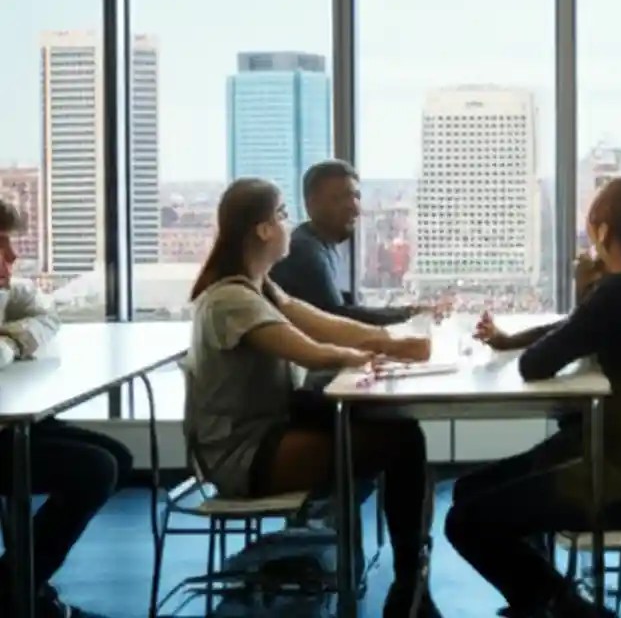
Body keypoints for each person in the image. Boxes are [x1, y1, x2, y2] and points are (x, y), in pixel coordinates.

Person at [446, 176, 621, 618]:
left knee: (466, 520)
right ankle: (542, 595)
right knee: (473, 490)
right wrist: (514, 338)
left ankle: (563, 606)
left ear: (603, 232)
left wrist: (588, 289)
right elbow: (573, 327)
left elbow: (539, 363)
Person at [184, 178, 438, 618]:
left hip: (270, 431)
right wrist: (381, 351)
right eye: (282, 215)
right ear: (262, 229)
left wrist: (386, 340)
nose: (289, 224)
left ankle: (408, 575)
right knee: (403, 442)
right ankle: (409, 582)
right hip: (245, 456)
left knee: (395, 430)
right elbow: (310, 350)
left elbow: (320, 322)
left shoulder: (258, 287)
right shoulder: (230, 298)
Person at [0, 198, 132, 618]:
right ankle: (15, 592)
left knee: (117, 457)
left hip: (7, 423)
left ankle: (17, 586)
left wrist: (13, 338)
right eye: (1, 243)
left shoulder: (7, 290)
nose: (13, 255)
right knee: (93, 469)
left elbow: (46, 313)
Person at [270, 160, 442, 327]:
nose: (354, 207)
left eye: (356, 196)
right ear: (311, 205)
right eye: (340, 198)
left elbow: (338, 305)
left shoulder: (316, 243)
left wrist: (410, 310)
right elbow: (339, 320)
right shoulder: (306, 252)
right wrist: (409, 313)